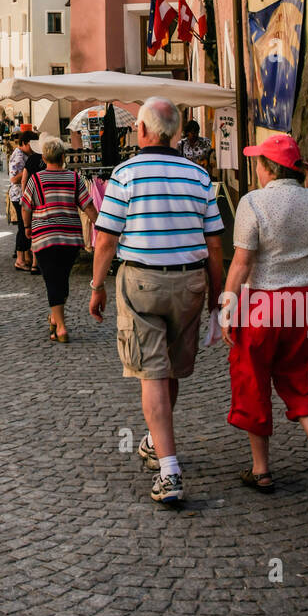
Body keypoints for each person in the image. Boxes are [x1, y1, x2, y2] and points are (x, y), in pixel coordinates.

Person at [89, 97, 224, 506]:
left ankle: (169, 470)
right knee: (171, 370)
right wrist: (217, 296)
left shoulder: (125, 174)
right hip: (190, 284)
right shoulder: (198, 176)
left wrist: (96, 286)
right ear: (178, 133)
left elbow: (107, 238)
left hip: (143, 281)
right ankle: (153, 439)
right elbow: (215, 243)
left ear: (143, 131)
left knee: (152, 372)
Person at [221, 134, 308, 494]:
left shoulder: (252, 202)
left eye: (258, 162)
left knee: (253, 378)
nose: (256, 168)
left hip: (264, 304)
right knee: (298, 375)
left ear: (268, 168)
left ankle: (262, 470)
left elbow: (242, 263)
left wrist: (227, 307)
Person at [22, 137, 98, 342]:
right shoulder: (74, 178)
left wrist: (27, 227)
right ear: (63, 157)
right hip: (70, 239)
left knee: (52, 280)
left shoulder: (36, 180)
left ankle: (62, 327)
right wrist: (99, 226)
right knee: (61, 279)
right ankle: (55, 319)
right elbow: (88, 206)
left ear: (44, 158)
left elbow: (26, 206)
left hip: (44, 237)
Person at [9, 128, 43, 272]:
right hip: (19, 195)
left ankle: (26, 257)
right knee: (24, 227)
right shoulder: (19, 155)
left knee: (24, 227)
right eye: (31, 144)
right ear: (24, 143)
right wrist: (29, 169)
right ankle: (20, 260)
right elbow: (14, 178)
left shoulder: (25, 154)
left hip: (23, 195)